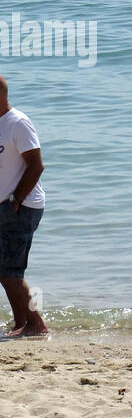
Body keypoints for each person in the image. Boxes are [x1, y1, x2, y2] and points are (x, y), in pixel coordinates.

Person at [0, 77, 48, 339]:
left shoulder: (17, 122)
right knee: (5, 271)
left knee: (10, 271)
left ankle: (35, 325)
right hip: (5, 207)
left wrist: (16, 200)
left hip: (23, 206)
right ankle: (22, 324)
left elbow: (36, 165)